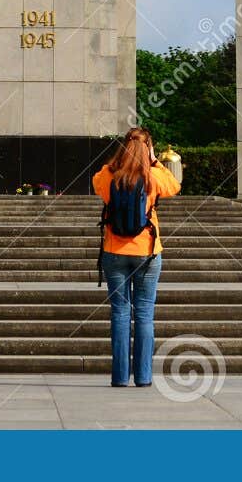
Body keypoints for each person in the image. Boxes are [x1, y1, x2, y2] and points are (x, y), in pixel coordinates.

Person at [91, 127, 181, 387]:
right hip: (147, 252)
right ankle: (143, 376)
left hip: (114, 252)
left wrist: (117, 159)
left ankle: (119, 376)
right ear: (149, 148)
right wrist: (153, 161)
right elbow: (175, 185)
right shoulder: (152, 175)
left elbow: (96, 180)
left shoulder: (110, 175)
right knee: (144, 314)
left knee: (119, 313)